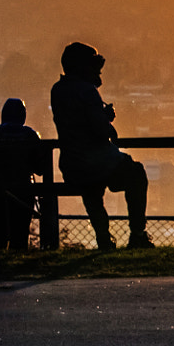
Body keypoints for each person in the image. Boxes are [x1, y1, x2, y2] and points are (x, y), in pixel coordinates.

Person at [49, 41, 152, 250]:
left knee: (92, 195)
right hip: (98, 162)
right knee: (137, 175)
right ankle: (137, 234)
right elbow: (101, 130)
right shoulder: (87, 91)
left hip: (72, 164)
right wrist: (107, 121)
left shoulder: (58, 90)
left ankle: (103, 238)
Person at [0, 97, 48, 251]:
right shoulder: (30, 135)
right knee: (21, 234)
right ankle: (17, 262)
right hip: (24, 189)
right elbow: (41, 168)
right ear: (23, 115)